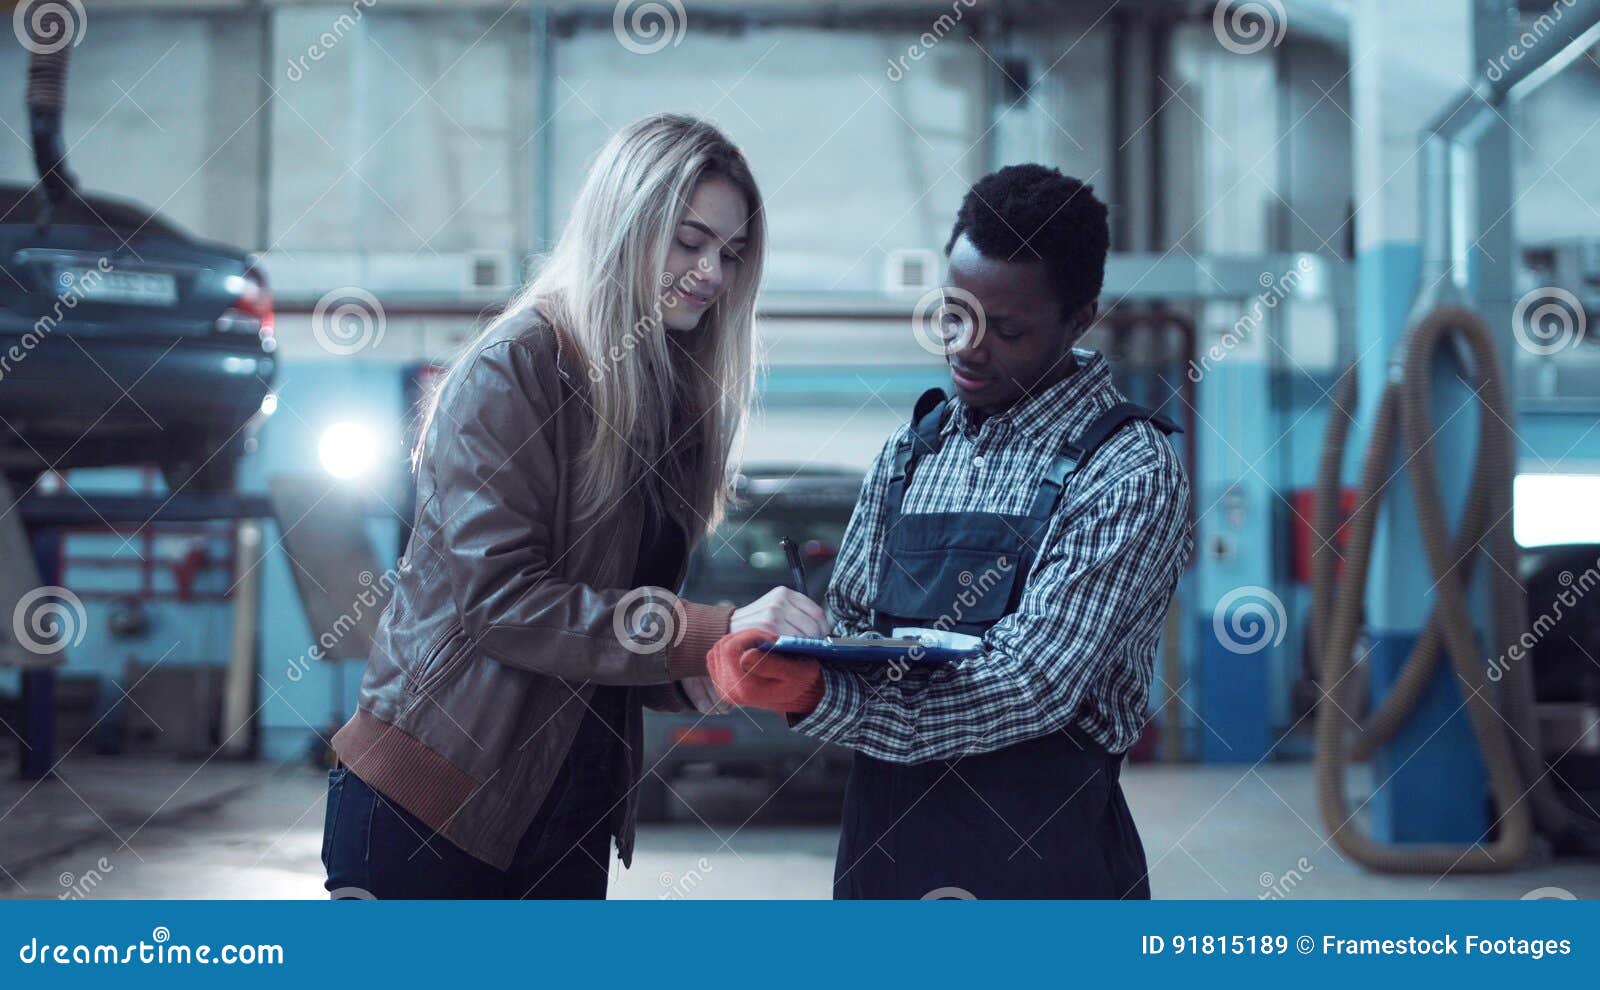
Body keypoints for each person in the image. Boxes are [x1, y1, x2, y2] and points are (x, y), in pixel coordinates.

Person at [323, 114, 828, 900]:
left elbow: (600, 621)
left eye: (730, 254)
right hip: (433, 808)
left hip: (570, 811)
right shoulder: (513, 370)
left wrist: (699, 668)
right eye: (689, 241)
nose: (711, 274)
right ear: (624, 225)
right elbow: (503, 604)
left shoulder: (673, 400)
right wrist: (704, 629)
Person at [709, 164, 1194, 899]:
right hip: (886, 850)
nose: (968, 346)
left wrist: (823, 696)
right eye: (955, 313)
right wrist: (786, 647)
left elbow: (1031, 684)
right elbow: (851, 624)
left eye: (1008, 329)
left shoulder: (1127, 468)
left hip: (1041, 866)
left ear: (1081, 318)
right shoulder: (915, 451)